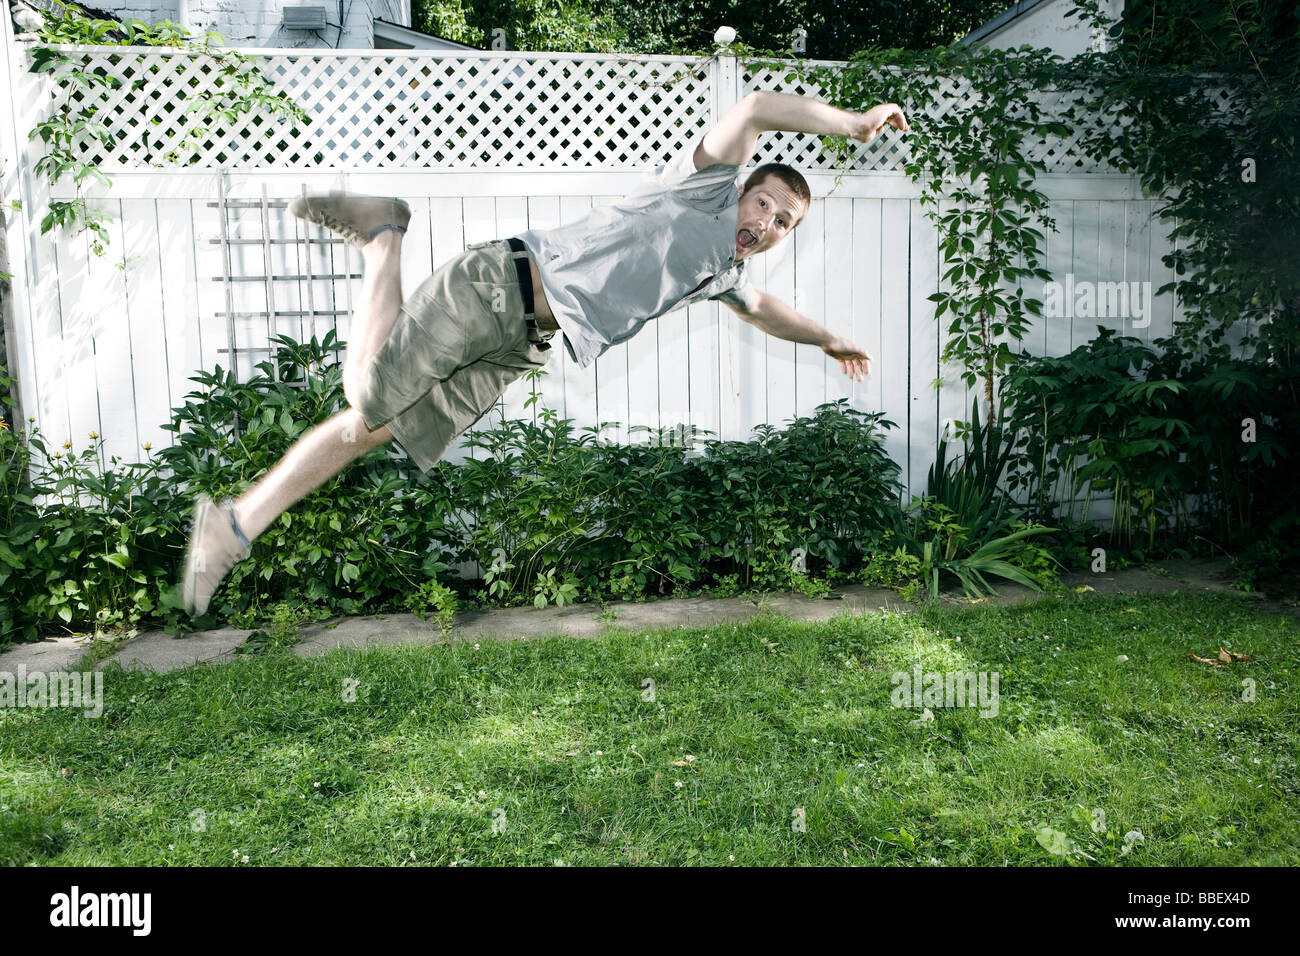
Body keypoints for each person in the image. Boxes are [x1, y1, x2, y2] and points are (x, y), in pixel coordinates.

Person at [181, 93, 910, 615]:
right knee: (370, 397)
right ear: (742, 192)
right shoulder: (706, 193)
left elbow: (762, 309)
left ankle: (236, 523)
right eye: (765, 205)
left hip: (521, 343)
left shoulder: (721, 273)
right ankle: (383, 235)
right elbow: (753, 107)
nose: (769, 223)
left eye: (784, 223)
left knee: (370, 429)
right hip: (496, 285)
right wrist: (850, 124)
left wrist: (826, 337)